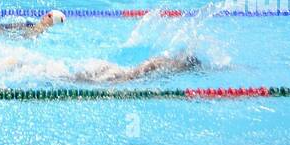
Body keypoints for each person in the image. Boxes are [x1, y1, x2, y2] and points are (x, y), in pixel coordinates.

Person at [66, 52, 200, 85]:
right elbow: (133, 75)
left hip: (114, 69)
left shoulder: (164, 61)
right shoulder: (162, 65)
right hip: (116, 74)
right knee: (81, 81)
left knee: (74, 78)